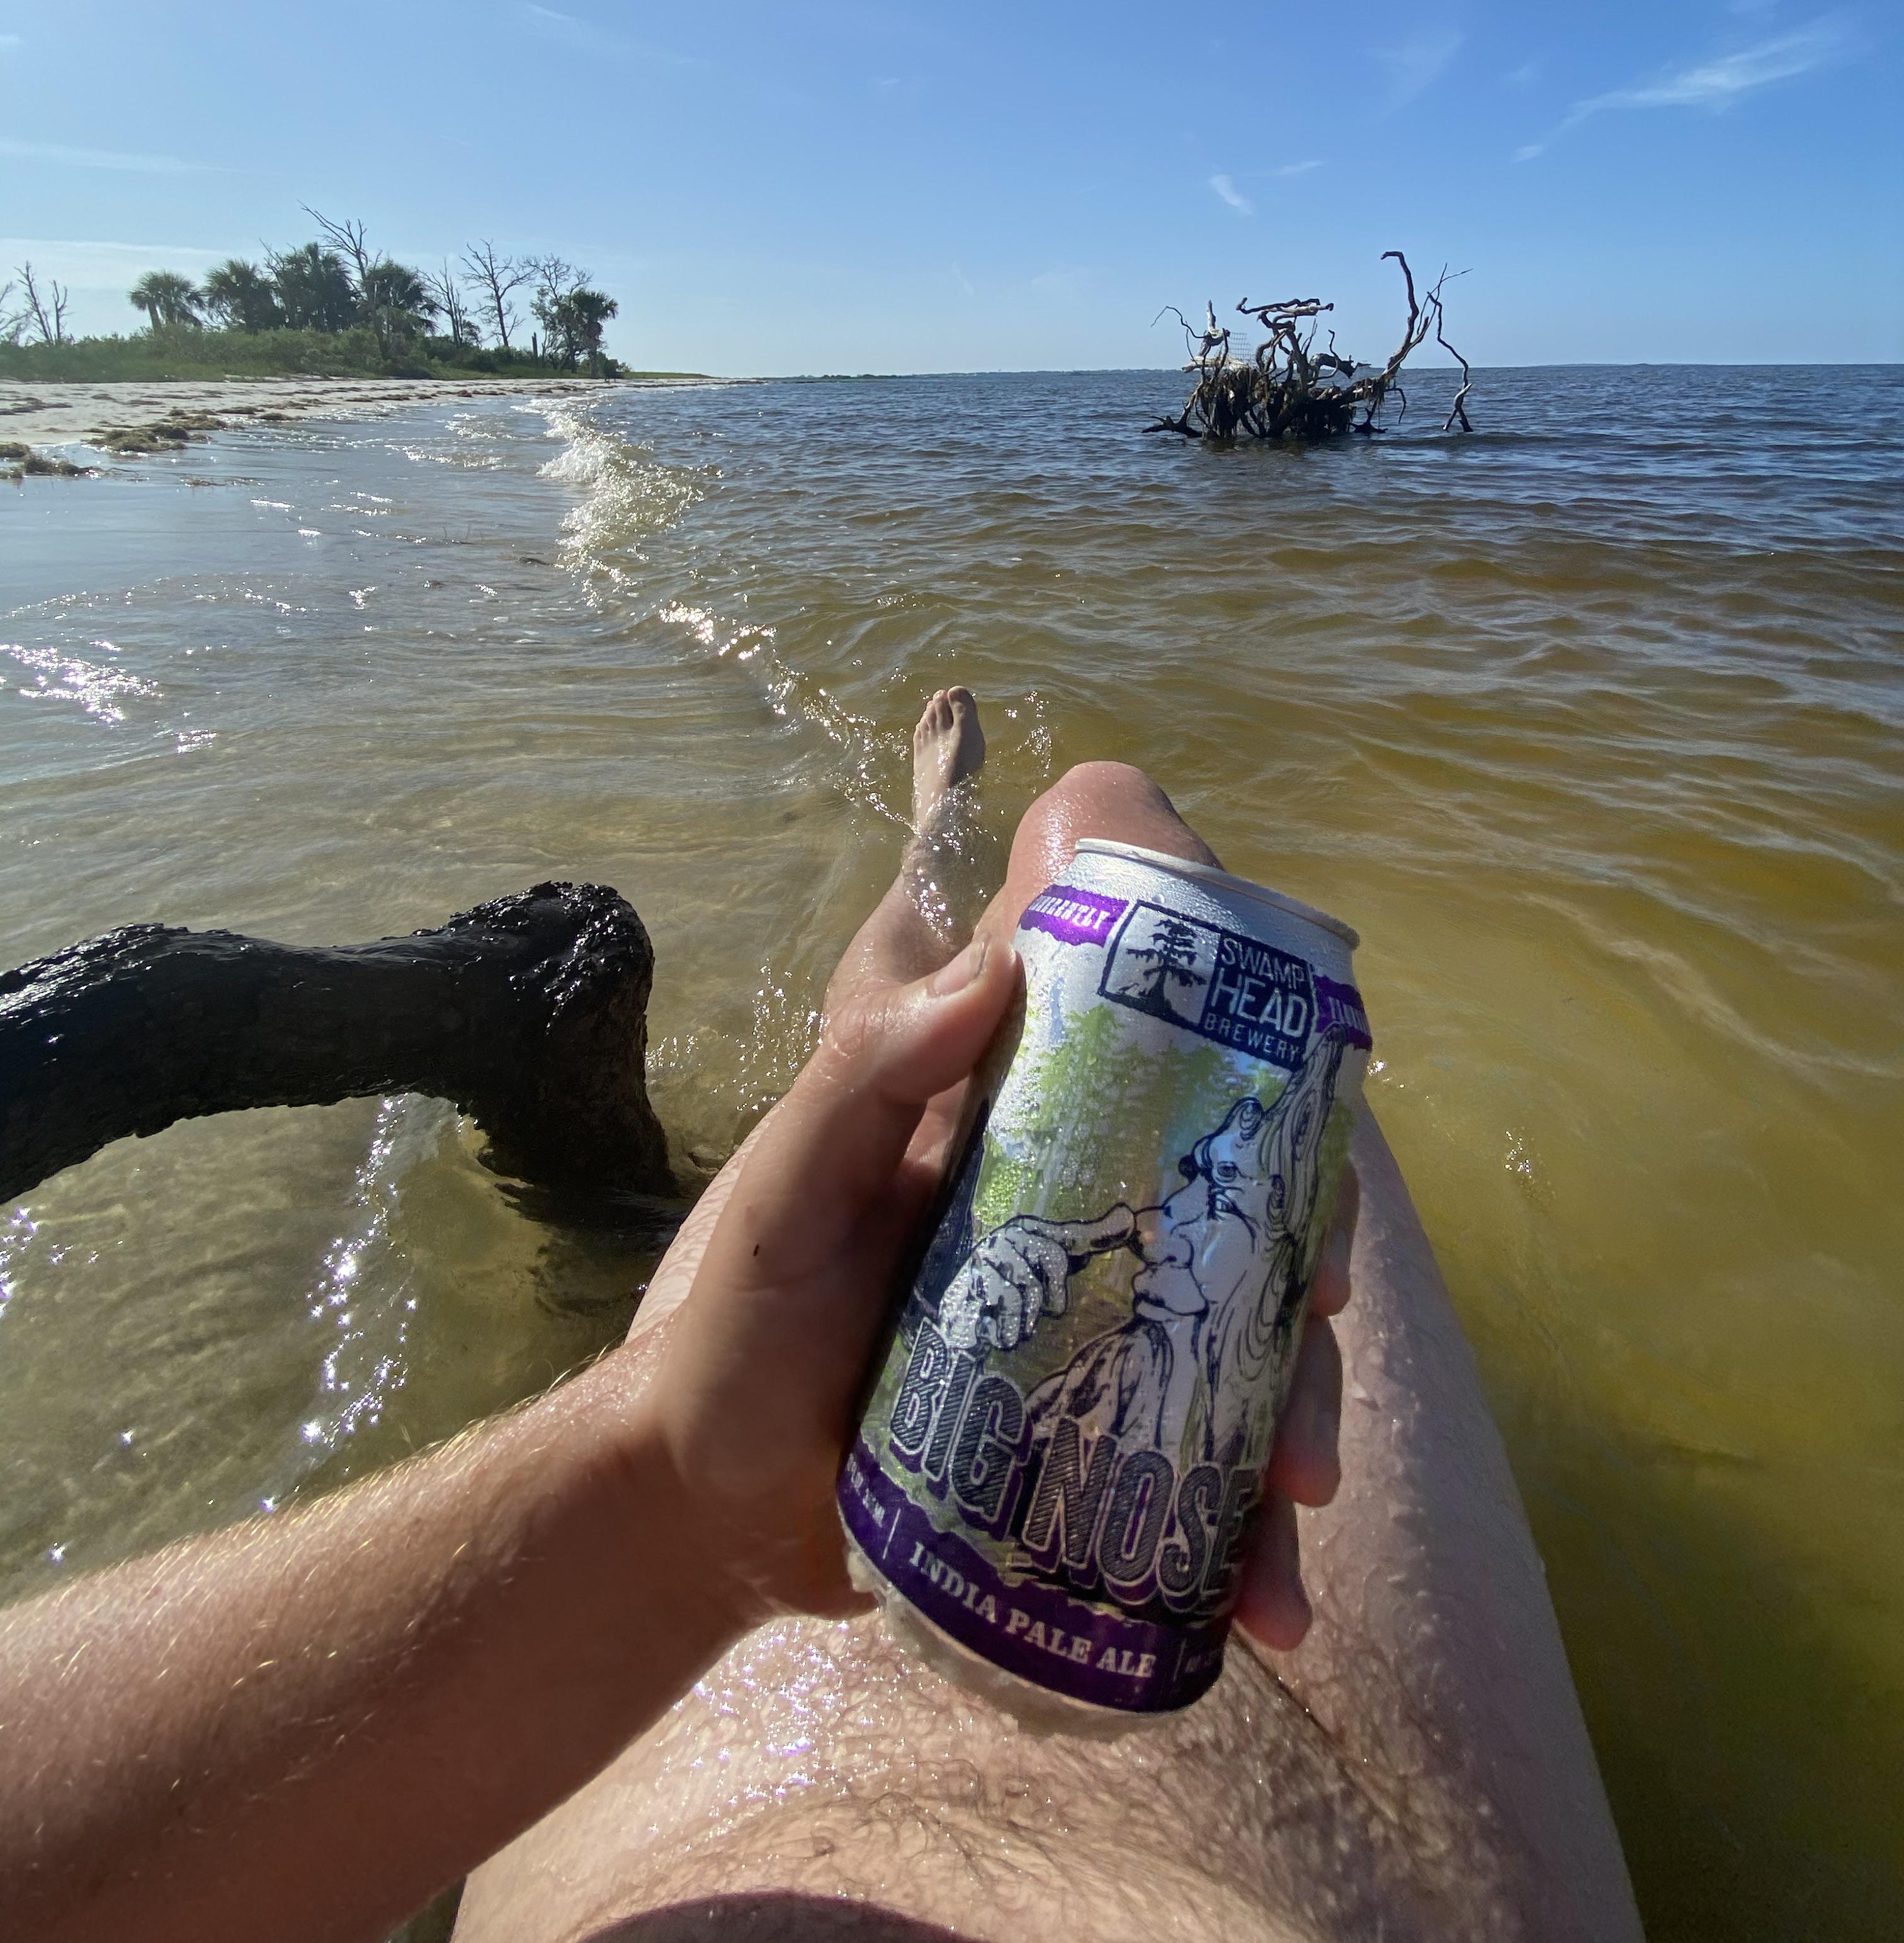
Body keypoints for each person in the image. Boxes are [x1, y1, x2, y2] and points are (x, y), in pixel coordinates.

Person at [0, 691, 1645, 1943]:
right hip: (1326, 1856)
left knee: (906, 1013)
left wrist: (669, 1486)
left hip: (699, 1617)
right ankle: (961, 850)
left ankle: (933, 850)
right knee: (1103, 825)